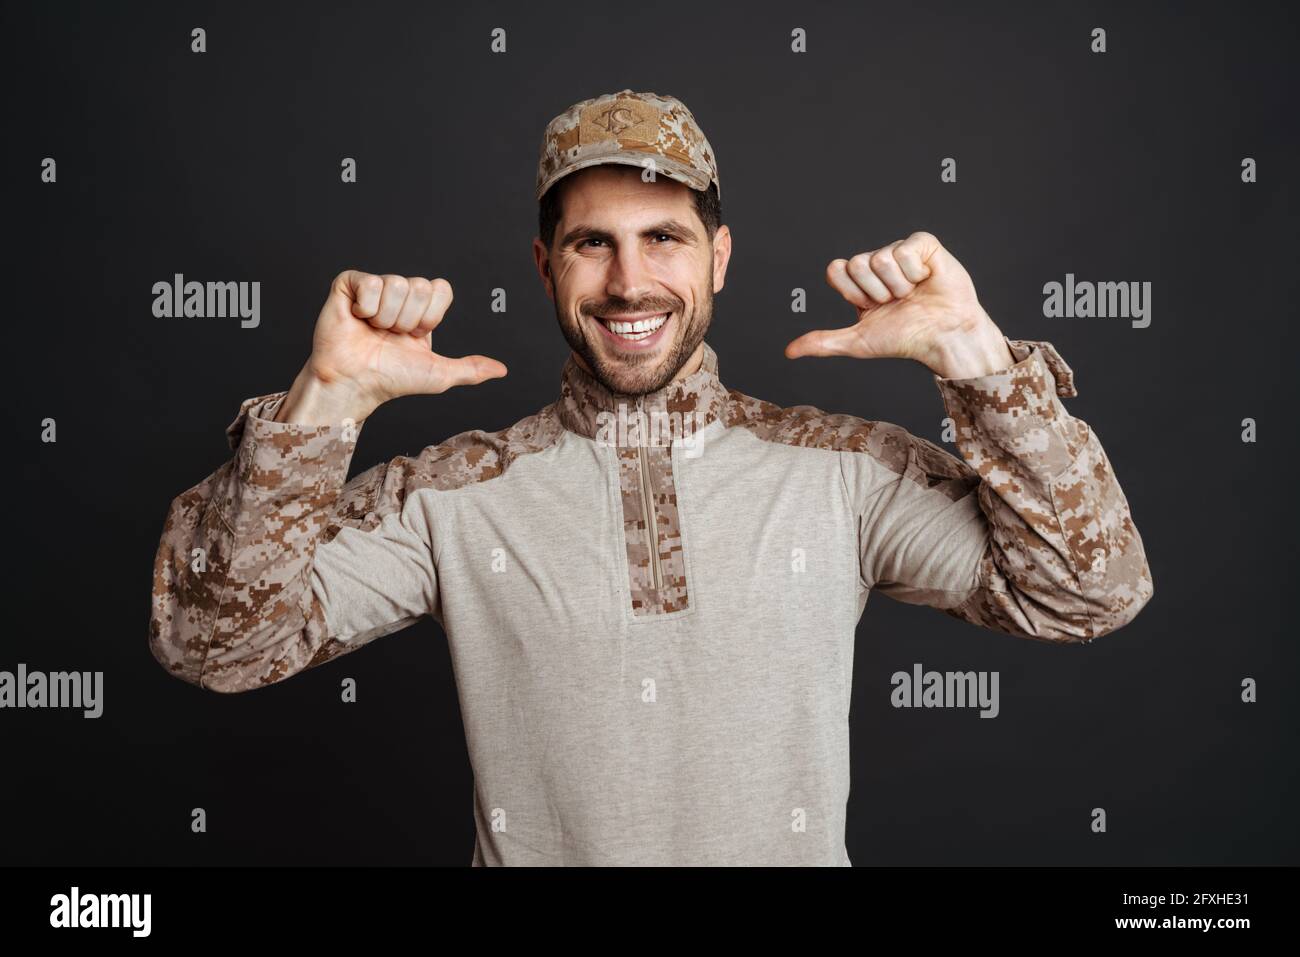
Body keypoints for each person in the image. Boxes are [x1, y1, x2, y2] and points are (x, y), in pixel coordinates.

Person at [149, 89, 1153, 866]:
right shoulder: (453, 495)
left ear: (718, 258)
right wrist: (325, 401)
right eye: (594, 244)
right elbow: (216, 646)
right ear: (545, 268)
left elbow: (1084, 594)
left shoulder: (847, 473)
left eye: (663, 238)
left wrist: (975, 359)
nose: (629, 282)